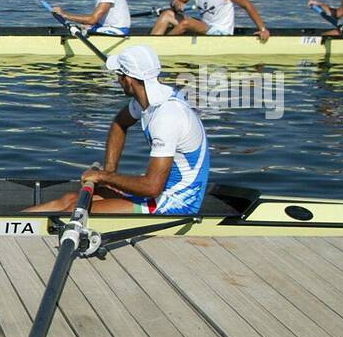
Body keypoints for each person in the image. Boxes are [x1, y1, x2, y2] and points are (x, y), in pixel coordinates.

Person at [25, 45, 209, 215]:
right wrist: (109, 173)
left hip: (176, 203)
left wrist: (103, 176)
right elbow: (119, 124)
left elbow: (152, 187)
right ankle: (6, 225)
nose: (117, 80)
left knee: (76, 210)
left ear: (128, 80)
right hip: (160, 192)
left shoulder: (167, 117)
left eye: (118, 76)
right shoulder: (148, 99)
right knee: (70, 199)